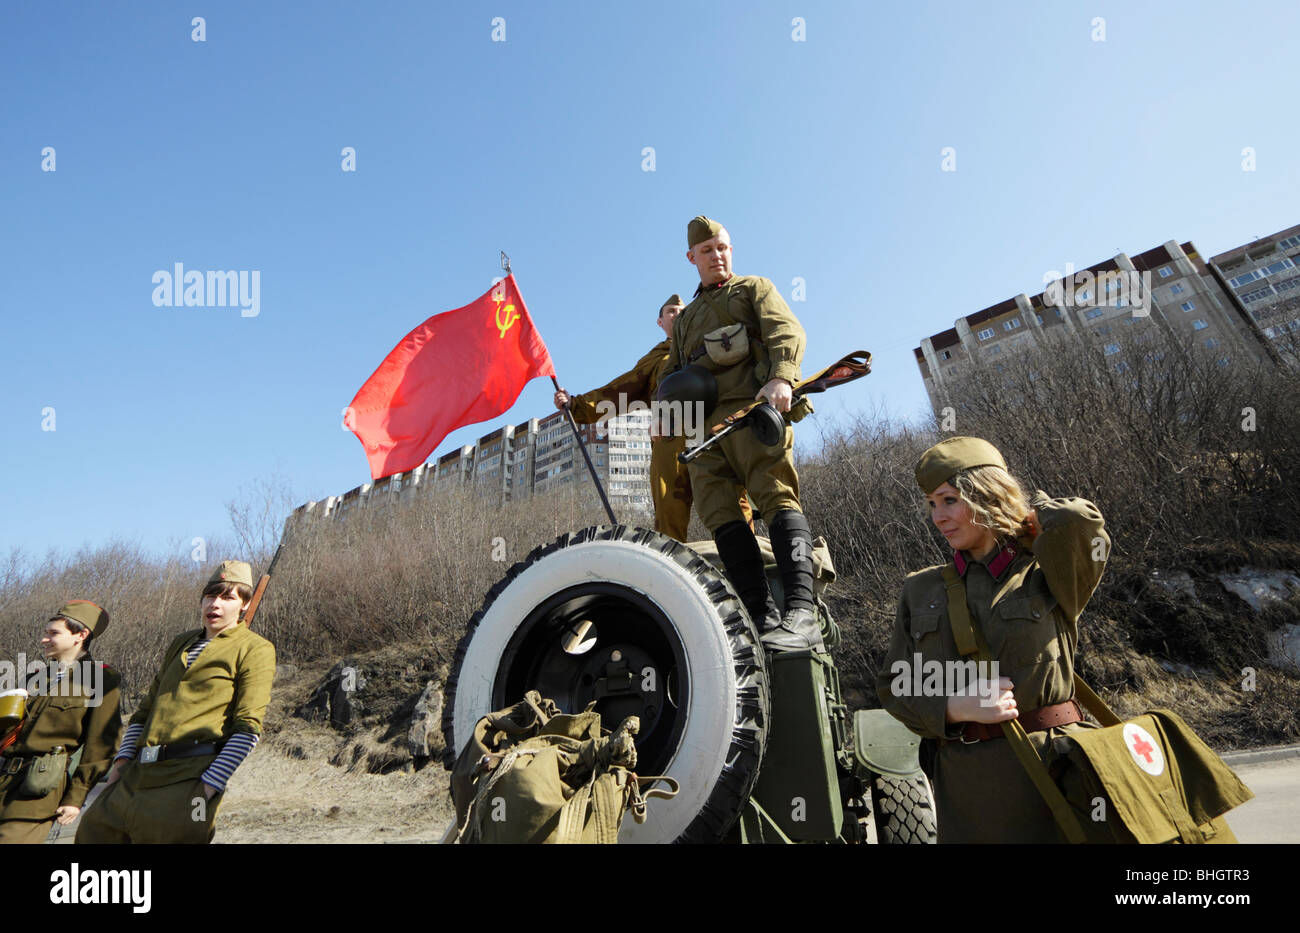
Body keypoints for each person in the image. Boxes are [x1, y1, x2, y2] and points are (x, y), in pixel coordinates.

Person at [876, 436, 1110, 843]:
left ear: (986, 494)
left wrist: (1033, 518)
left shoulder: (1045, 571)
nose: (938, 517)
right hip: (970, 788)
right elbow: (896, 687)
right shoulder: (921, 589)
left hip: (1056, 769)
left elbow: (1081, 522)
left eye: (949, 500)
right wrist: (952, 707)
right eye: (931, 504)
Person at [667, 215, 821, 653]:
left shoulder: (753, 288)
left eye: (723, 247)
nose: (718, 255)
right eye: (708, 250)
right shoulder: (686, 319)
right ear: (691, 258)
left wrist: (782, 378)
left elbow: (785, 331)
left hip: (752, 411)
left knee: (776, 498)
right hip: (703, 433)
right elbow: (676, 371)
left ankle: (801, 612)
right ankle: (759, 616)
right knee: (721, 517)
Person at [76, 561, 275, 844]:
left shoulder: (255, 648)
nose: (215, 604)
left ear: (244, 605)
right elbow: (143, 713)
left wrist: (208, 787)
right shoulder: (181, 642)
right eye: (210, 595)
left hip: (187, 781)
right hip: (133, 777)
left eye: (228, 597)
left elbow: (248, 728)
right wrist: (120, 766)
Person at [554, 293, 753, 541]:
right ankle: (669, 568)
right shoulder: (656, 360)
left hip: (714, 432)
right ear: (660, 322)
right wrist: (576, 405)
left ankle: (748, 568)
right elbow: (620, 391)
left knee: (731, 502)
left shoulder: (715, 342)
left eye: (683, 309)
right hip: (670, 440)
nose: (678, 313)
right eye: (671, 310)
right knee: (669, 511)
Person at [0, 601, 122, 844]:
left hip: (38, 790)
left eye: (53, 633)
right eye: (46, 633)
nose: (44, 639)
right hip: (4, 778)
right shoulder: (34, 677)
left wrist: (76, 797)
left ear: (81, 635)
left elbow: (101, 745)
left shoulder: (100, 678)